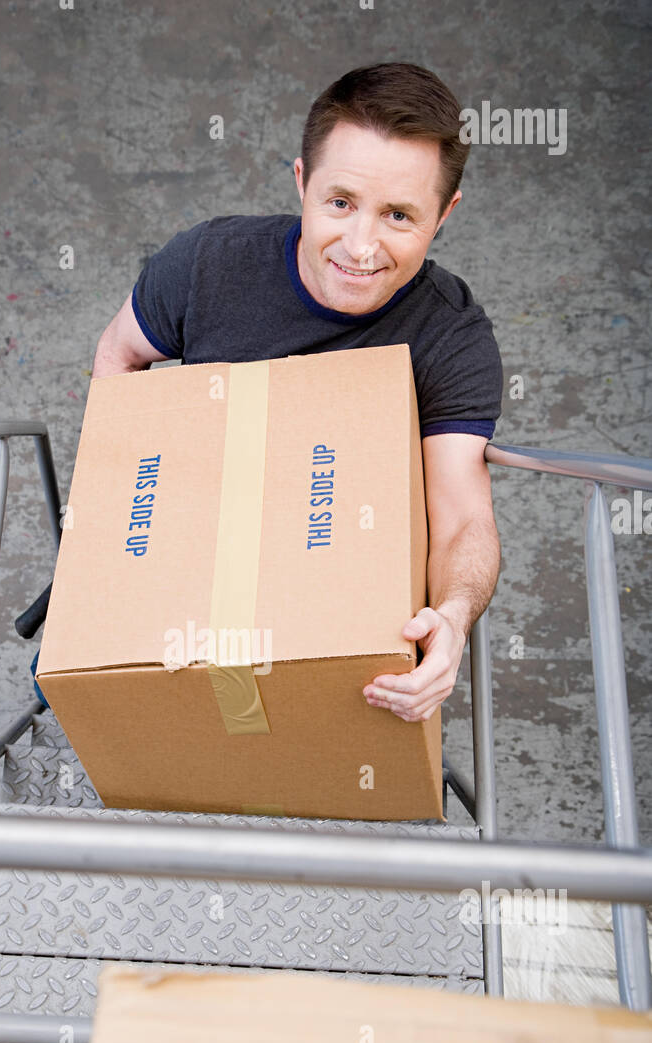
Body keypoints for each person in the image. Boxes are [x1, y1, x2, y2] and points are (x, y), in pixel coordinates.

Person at [88, 62, 502, 724]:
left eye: (398, 215)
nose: (361, 246)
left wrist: (452, 615)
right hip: (177, 581)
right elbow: (120, 352)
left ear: (444, 214)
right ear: (302, 181)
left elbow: (460, 513)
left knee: (319, 769)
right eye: (339, 203)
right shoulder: (208, 263)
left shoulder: (448, 333)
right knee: (90, 733)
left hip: (332, 622)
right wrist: (122, 521)